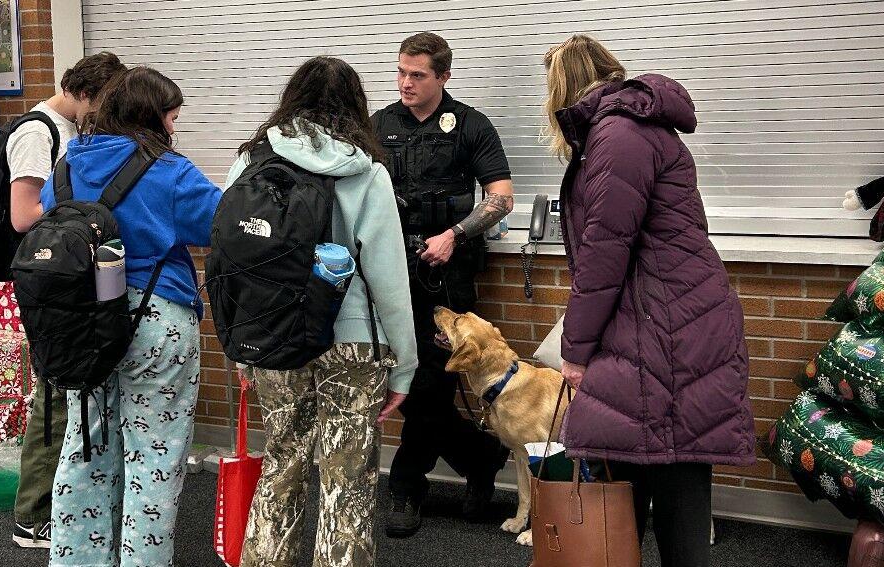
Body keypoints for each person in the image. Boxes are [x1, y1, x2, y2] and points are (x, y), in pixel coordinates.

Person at [544, 35, 755, 567]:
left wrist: (575, 350)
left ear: (563, 84)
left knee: (661, 501)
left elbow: (604, 251)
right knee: (651, 483)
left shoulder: (617, 135)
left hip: (663, 330)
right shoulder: (630, 130)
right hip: (674, 322)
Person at [231, 56, 417, 567]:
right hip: (351, 345)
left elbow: (236, 262)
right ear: (355, 108)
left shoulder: (251, 163)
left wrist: (243, 353)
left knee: (282, 466)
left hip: (273, 338)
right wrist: (404, 365)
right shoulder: (367, 173)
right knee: (348, 485)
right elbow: (389, 281)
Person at [42, 66, 221, 566]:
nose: (174, 127)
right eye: (172, 116)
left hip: (82, 325)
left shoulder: (67, 165)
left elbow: (47, 221)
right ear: (153, 116)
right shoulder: (169, 170)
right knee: (154, 458)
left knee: (85, 450)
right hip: (155, 321)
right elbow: (220, 224)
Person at [372, 32, 514, 537]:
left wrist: (455, 235)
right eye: (401, 72)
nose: (406, 83)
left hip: (448, 277)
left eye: (418, 75)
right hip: (391, 269)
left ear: (444, 77)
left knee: (433, 382)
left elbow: (502, 197)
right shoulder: (379, 125)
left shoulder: (471, 126)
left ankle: (407, 489)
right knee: (405, 384)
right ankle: (480, 457)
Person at [10, 51, 127, 549]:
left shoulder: (66, 131)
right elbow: (22, 215)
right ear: (84, 93)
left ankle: (50, 508)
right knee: (53, 400)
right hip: (49, 285)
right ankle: (32, 517)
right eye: (102, 101)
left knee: (62, 397)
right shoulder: (41, 133)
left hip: (63, 283)